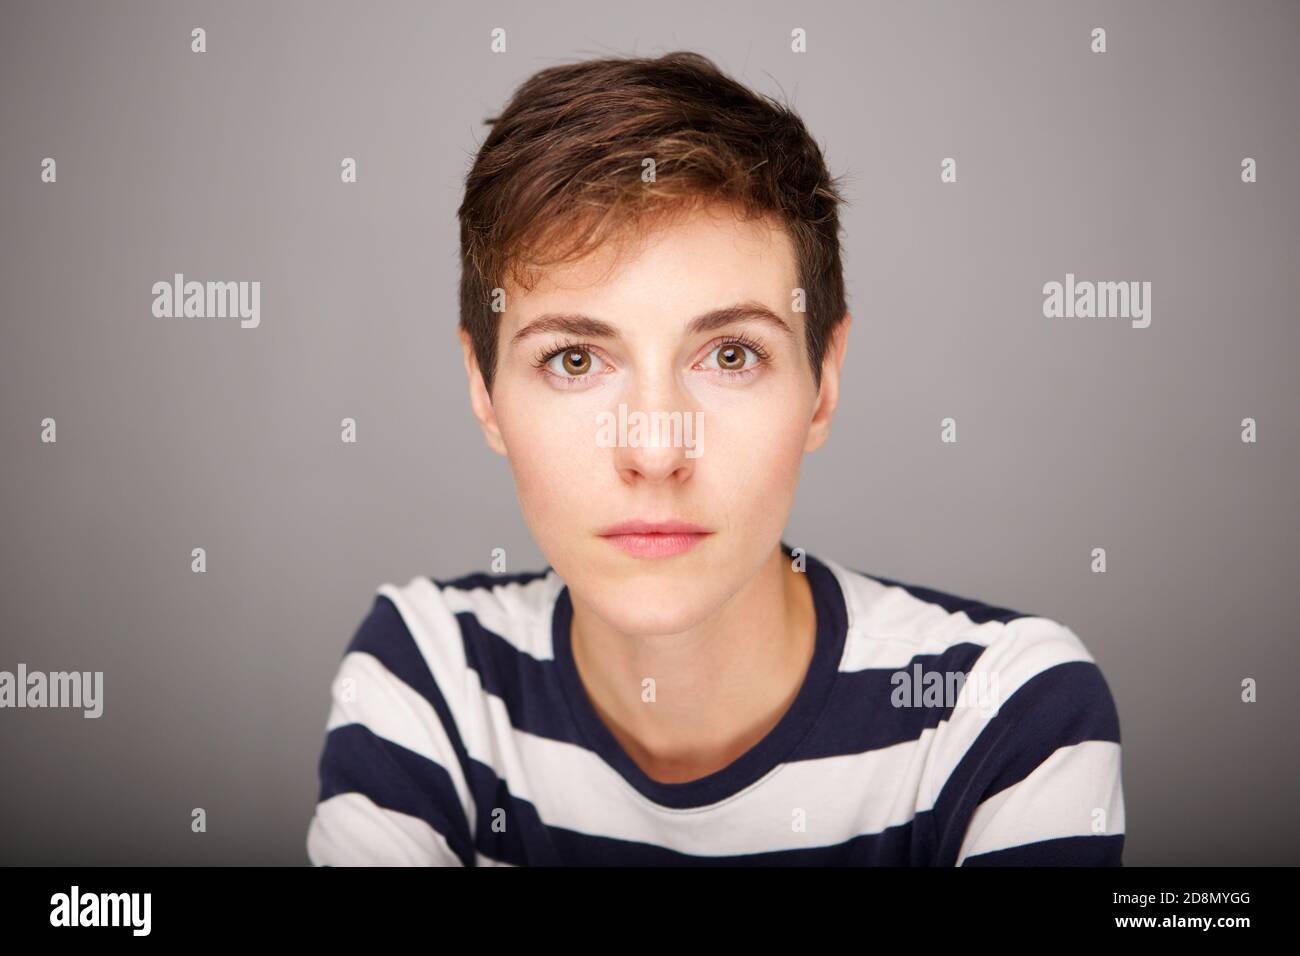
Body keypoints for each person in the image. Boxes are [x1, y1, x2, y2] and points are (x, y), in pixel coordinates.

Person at [305, 51, 1124, 866]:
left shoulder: (1001, 708)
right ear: (484, 392)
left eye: (731, 355)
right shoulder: (431, 677)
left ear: (824, 383)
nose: (657, 452)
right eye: (575, 360)